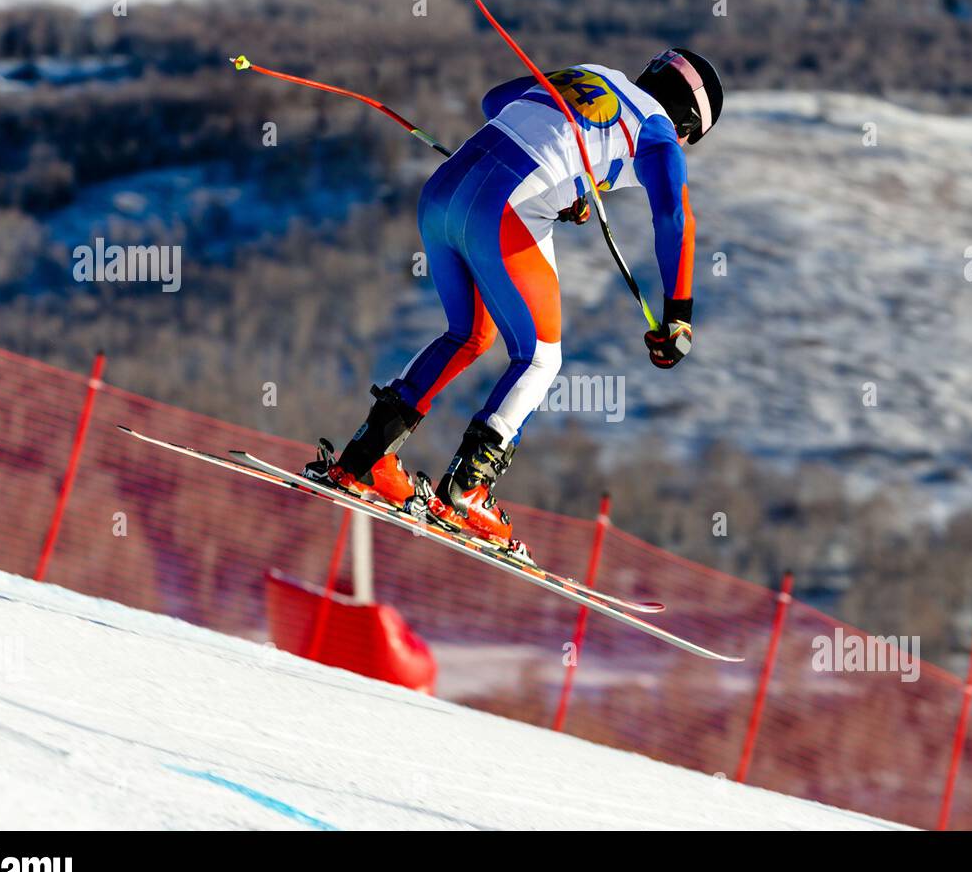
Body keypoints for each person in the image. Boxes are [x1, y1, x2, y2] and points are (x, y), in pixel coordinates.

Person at [304, 48, 723, 548]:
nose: (681, 146)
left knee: (468, 333)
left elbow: (495, 99)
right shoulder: (657, 131)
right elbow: (675, 216)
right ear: (687, 122)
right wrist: (678, 316)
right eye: (689, 139)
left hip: (444, 190)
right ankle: (466, 489)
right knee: (540, 357)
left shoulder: (589, 74)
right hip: (502, 212)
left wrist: (565, 183)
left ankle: (367, 457)